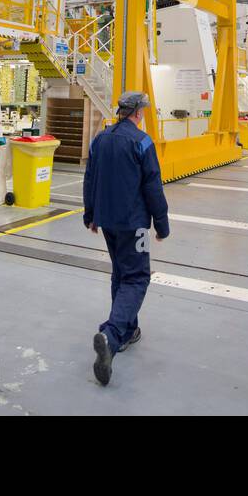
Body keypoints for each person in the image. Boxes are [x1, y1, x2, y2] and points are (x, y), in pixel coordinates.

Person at [82, 91, 169, 386]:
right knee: (137, 277)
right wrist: (162, 223)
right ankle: (112, 335)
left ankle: (129, 329)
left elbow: (90, 178)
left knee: (121, 273)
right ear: (139, 113)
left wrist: (90, 213)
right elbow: (153, 186)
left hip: (108, 222)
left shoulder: (100, 139)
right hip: (135, 226)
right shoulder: (142, 142)